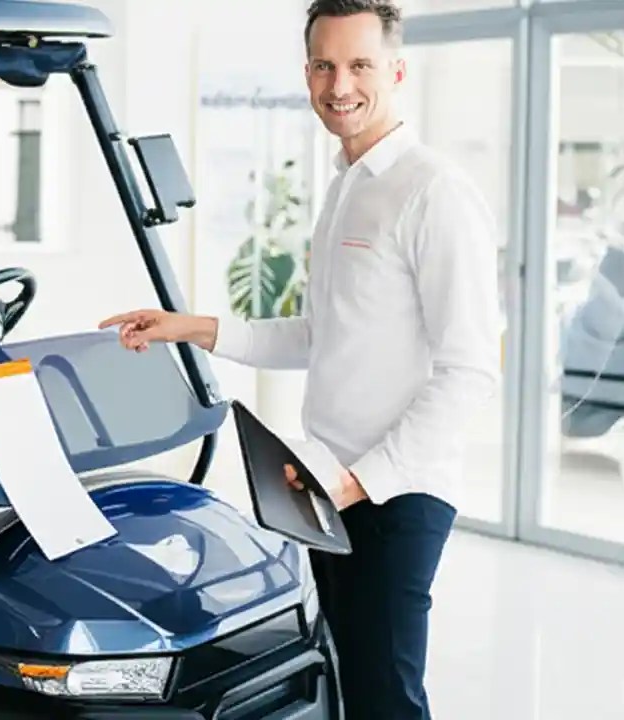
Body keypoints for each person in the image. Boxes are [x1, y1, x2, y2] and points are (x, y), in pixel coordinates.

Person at [98, 1, 501, 718]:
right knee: (341, 678)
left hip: (396, 496)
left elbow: (470, 371)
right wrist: (184, 327)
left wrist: (359, 482)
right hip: (329, 483)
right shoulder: (347, 187)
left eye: (358, 65)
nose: (338, 83)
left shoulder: (434, 192)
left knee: (387, 695)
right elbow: (319, 334)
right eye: (322, 64)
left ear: (397, 70)